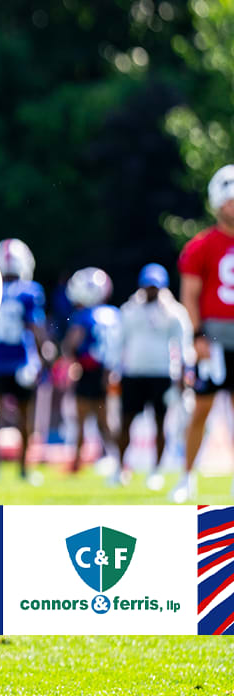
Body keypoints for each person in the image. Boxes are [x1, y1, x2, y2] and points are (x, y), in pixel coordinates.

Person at [176, 165, 234, 503]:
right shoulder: (201, 246)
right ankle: (186, 477)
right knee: (201, 410)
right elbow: (190, 295)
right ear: (217, 203)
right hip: (213, 339)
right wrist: (196, 336)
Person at [112, 263, 193, 489]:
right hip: (134, 373)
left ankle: (156, 470)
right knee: (126, 422)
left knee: (160, 423)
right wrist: (113, 369)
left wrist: (185, 373)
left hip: (162, 373)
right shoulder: (130, 310)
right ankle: (120, 468)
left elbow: (183, 344)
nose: (151, 292)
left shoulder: (174, 312)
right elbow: (119, 342)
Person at [0, 238, 50, 481]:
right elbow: (35, 326)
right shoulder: (30, 291)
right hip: (21, 361)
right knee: (25, 416)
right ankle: (24, 468)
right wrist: (45, 352)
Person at [60, 266, 121, 474]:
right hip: (109, 372)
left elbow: (71, 345)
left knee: (81, 421)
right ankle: (119, 462)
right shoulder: (114, 314)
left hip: (89, 372)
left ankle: (76, 464)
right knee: (106, 422)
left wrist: (69, 357)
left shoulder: (84, 315)